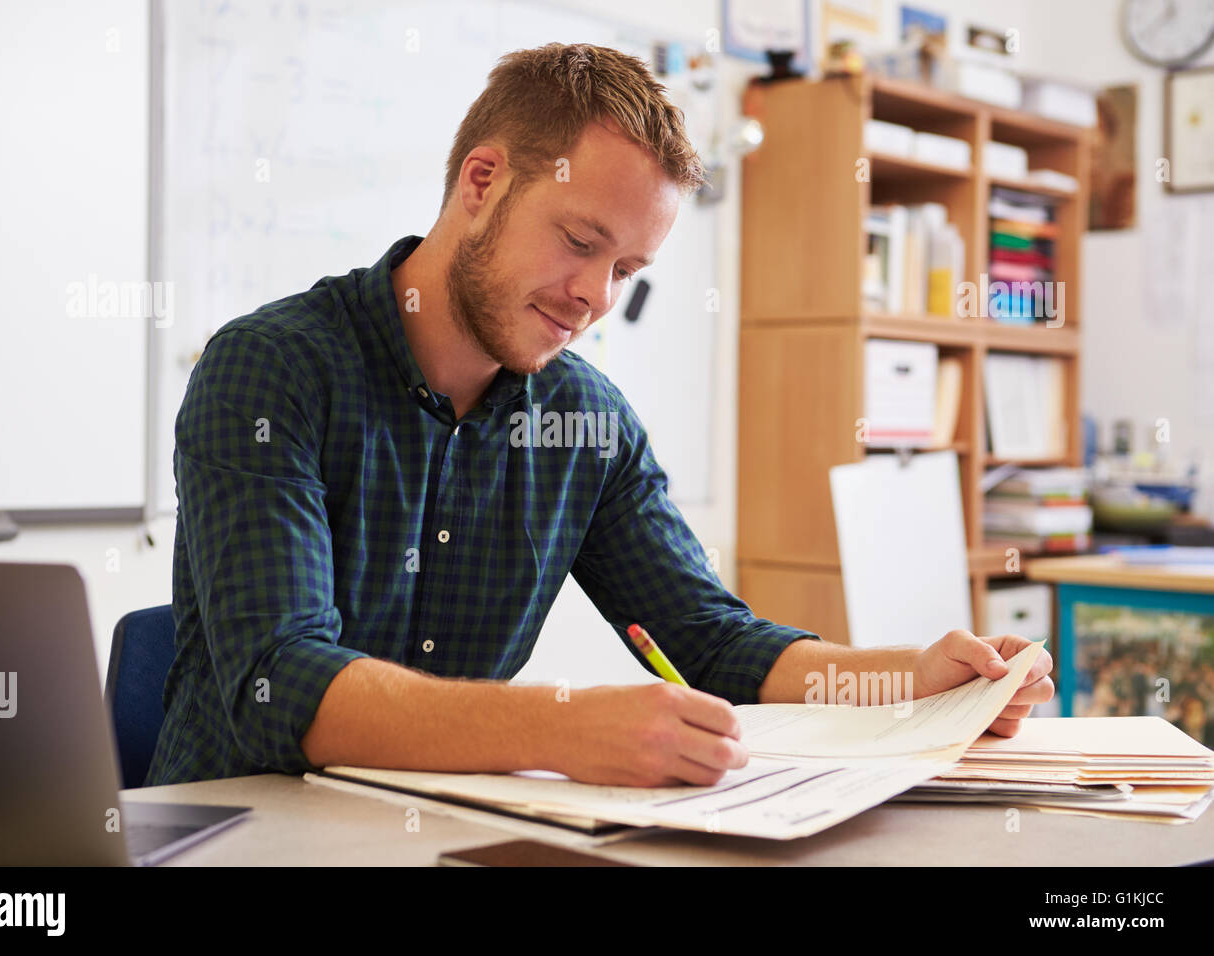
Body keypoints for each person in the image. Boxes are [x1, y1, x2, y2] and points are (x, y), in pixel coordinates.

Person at [146, 42, 1053, 788]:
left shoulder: (588, 423)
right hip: (238, 835)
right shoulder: (270, 371)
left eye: (625, 272)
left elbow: (714, 642)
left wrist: (907, 682)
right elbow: (280, 683)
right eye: (580, 242)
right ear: (482, 180)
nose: (592, 299)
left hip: (440, 838)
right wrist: (564, 726)